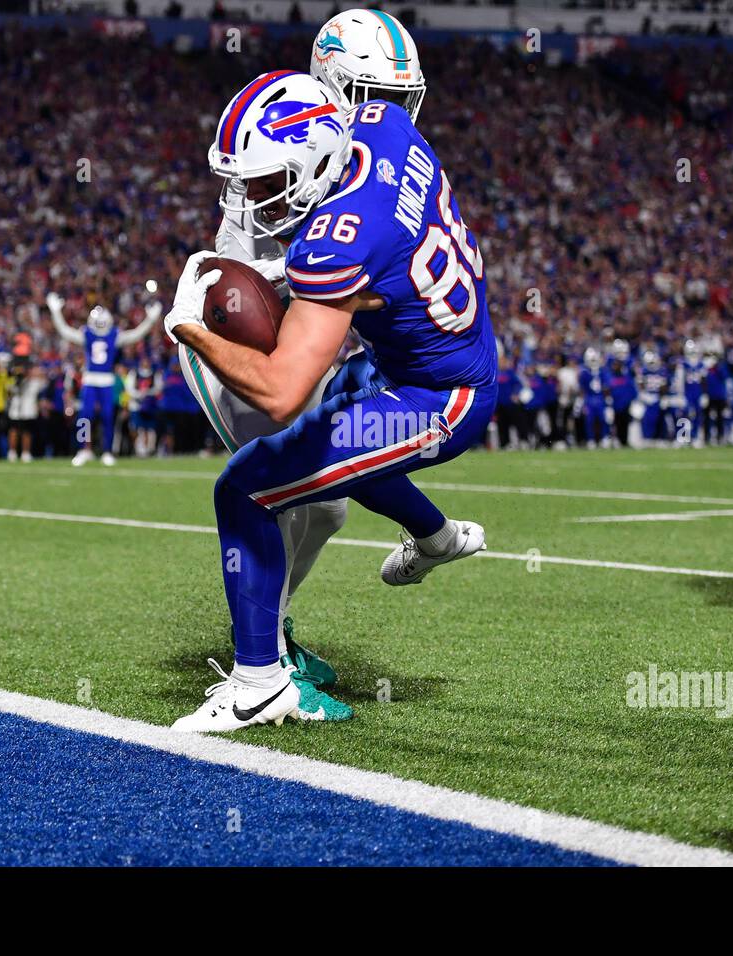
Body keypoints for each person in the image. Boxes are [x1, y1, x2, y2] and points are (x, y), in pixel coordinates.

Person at [165, 70, 494, 732]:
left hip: (436, 397)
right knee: (338, 462)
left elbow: (281, 393)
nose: (249, 196)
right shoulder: (386, 128)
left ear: (314, 159)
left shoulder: (332, 241)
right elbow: (389, 239)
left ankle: (258, 685)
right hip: (421, 357)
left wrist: (189, 329)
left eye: (263, 180)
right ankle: (435, 540)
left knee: (249, 487)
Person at [46, 296, 160, 467]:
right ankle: (84, 450)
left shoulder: (114, 335)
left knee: (107, 417)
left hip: (106, 381)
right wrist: (55, 312)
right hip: (91, 379)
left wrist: (150, 319)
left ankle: (107, 451)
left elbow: (136, 335)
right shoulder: (89, 335)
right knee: (85, 416)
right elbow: (65, 331)